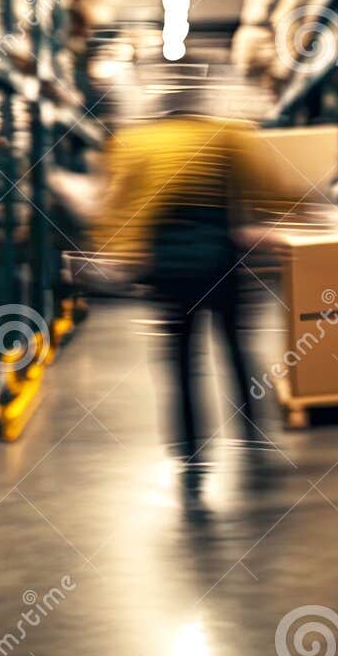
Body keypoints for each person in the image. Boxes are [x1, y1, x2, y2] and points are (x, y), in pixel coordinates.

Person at [53, 83, 285, 458]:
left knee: (180, 358)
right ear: (198, 107)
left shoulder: (138, 142)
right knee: (235, 348)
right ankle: (253, 431)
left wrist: (118, 250)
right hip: (219, 261)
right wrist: (265, 223)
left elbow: (117, 201)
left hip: (170, 265)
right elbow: (264, 186)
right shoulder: (227, 135)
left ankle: (191, 450)